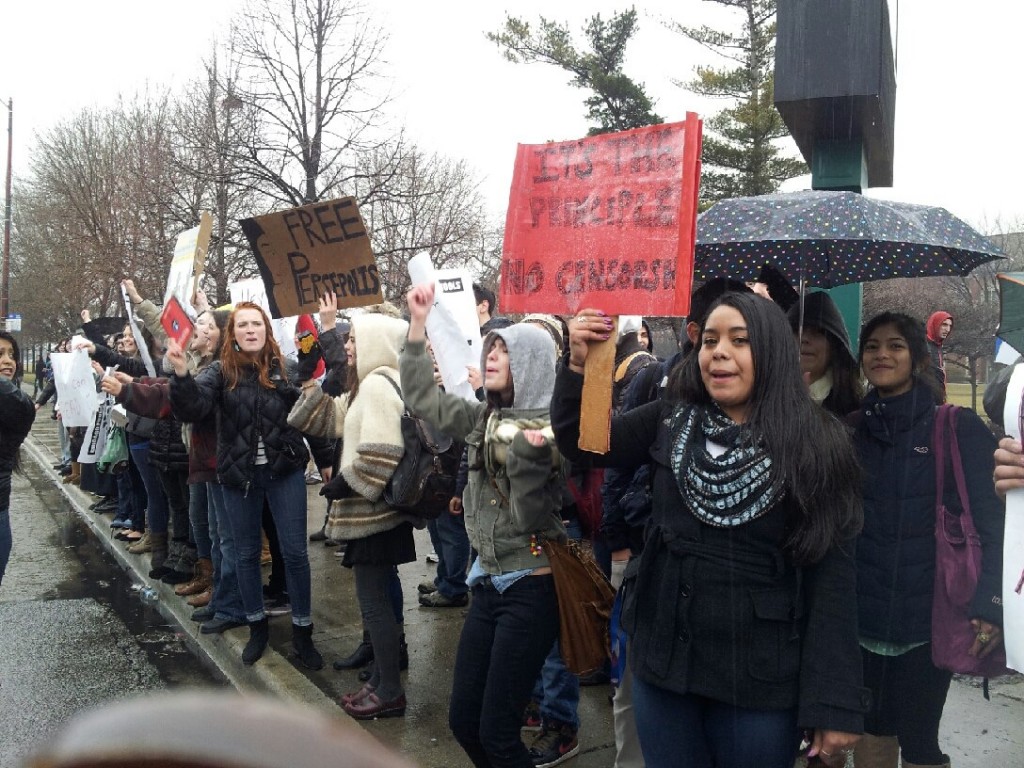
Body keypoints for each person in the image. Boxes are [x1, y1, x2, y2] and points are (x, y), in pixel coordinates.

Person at [552, 293, 868, 768]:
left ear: (772, 350)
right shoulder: (671, 416)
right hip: (664, 664)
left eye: (740, 341)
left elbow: (834, 581)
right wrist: (581, 365)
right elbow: (587, 445)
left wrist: (834, 702)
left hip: (758, 681)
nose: (719, 352)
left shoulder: (818, 441)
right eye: (711, 340)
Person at [401, 282, 566, 768]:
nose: (491, 356)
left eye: (504, 351)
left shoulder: (549, 431)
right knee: (463, 722)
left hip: (530, 588)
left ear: (530, 365)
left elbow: (530, 517)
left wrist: (528, 458)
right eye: (490, 348)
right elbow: (421, 397)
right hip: (487, 583)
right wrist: (417, 325)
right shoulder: (482, 418)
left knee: (498, 734)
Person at [851, 312, 1003, 768]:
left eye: (895, 345)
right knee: (871, 729)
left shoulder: (956, 427)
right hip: (862, 618)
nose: (882, 355)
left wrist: (990, 603)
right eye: (872, 346)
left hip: (929, 618)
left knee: (920, 739)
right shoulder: (849, 430)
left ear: (917, 358)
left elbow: (991, 522)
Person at [168, 301, 332, 671]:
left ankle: (303, 632)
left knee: (295, 554)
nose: (250, 330)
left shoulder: (284, 369)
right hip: (238, 477)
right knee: (244, 554)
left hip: (284, 473)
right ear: (233, 334)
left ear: (266, 330)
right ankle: (256, 626)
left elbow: (308, 414)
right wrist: (180, 375)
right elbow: (193, 408)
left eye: (256, 323)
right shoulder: (220, 372)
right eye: (242, 325)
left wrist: (324, 459)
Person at [288, 294, 415, 719]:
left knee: (375, 605)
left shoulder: (378, 385)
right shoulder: (371, 382)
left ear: (376, 342)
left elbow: (382, 455)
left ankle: (390, 692)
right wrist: (311, 384)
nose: (347, 346)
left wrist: (341, 486)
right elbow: (324, 419)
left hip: (373, 516)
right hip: (374, 515)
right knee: (376, 603)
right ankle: (380, 680)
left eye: (355, 339)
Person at [787, 291, 863, 417]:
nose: (804, 339)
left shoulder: (854, 411)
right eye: (796, 331)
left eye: (818, 332)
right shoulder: (760, 395)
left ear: (834, 346)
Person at [0, 332, 36, 588]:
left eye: (11, 355)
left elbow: (21, 405)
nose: (8, 360)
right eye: (0, 354)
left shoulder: (19, 405)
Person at [925, 311, 953, 403]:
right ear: (935, 324)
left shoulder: (937, 347)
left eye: (950, 326)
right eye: (944, 325)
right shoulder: (922, 346)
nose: (947, 329)